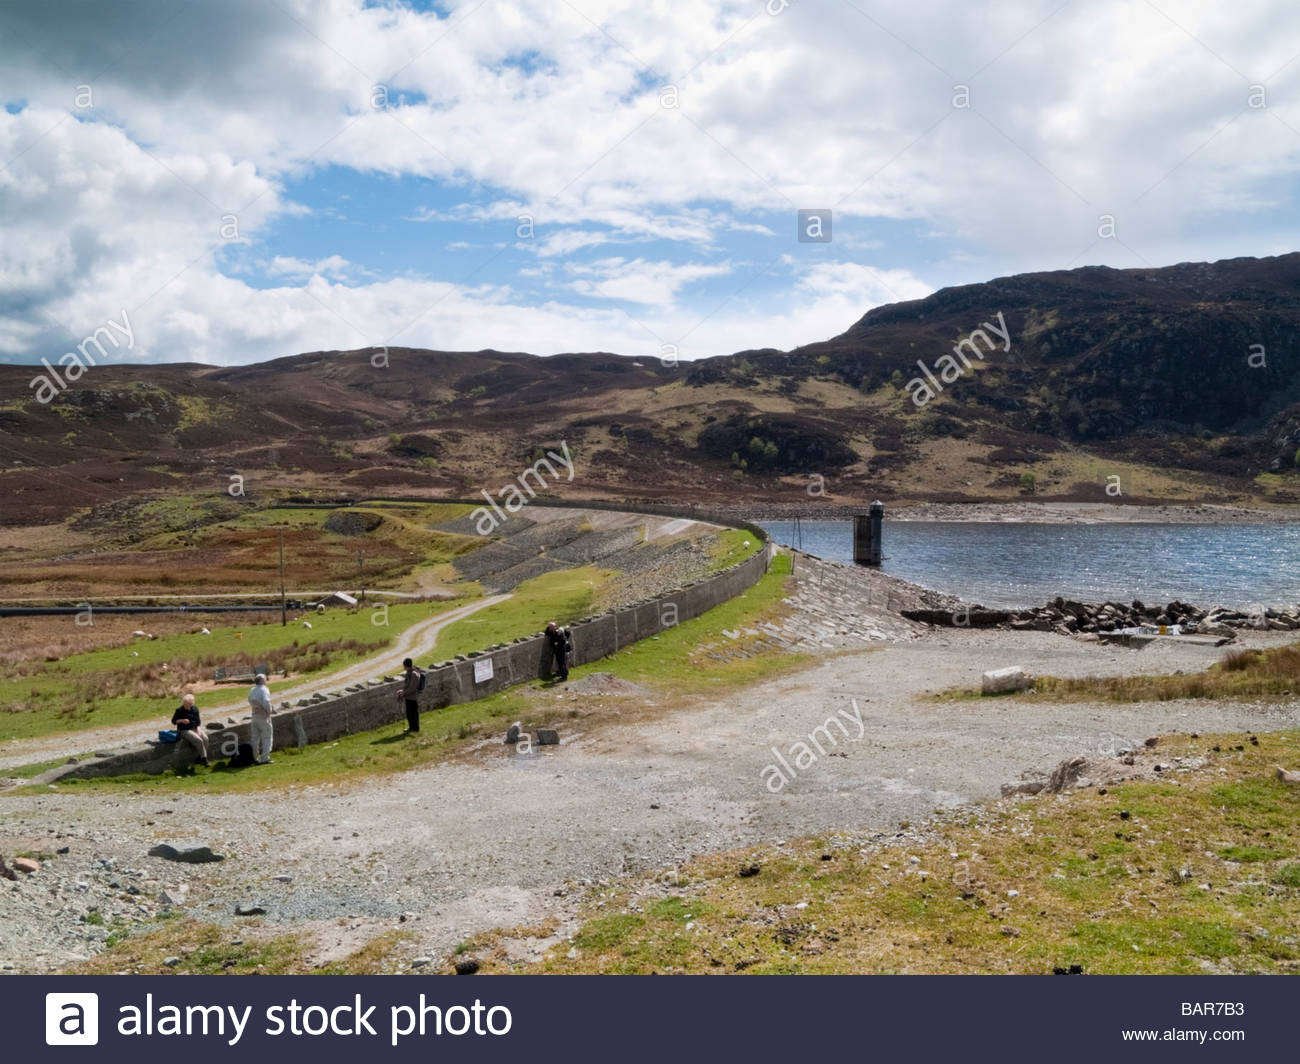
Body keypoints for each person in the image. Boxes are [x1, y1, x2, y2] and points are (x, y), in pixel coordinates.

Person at [170, 693, 208, 770]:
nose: (187, 706)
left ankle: (199, 758)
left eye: (188, 705)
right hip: (184, 730)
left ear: (192, 704)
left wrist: (198, 729)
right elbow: (173, 721)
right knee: (198, 740)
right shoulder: (179, 710)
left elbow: (198, 721)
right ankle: (204, 759)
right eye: (185, 704)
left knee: (205, 738)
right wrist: (181, 720)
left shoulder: (195, 709)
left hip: (194, 728)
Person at [248, 673, 274, 764]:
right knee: (266, 737)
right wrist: (269, 711)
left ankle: (255, 758)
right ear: (262, 681)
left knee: (255, 738)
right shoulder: (264, 689)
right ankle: (265, 758)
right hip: (263, 716)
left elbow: (250, 701)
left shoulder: (252, 690)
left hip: (254, 716)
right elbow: (266, 702)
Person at [399, 657, 421, 733]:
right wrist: (402, 691)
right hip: (408, 697)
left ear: (406, 665)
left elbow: (412, 688)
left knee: (413, 714)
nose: (403, 667)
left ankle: (415, 729)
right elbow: (408, 686)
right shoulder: (409, 673)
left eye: (404, 665)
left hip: (413, 697)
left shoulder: (414, 674)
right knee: (409, 714)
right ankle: (412, 728)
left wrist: (403, 693)